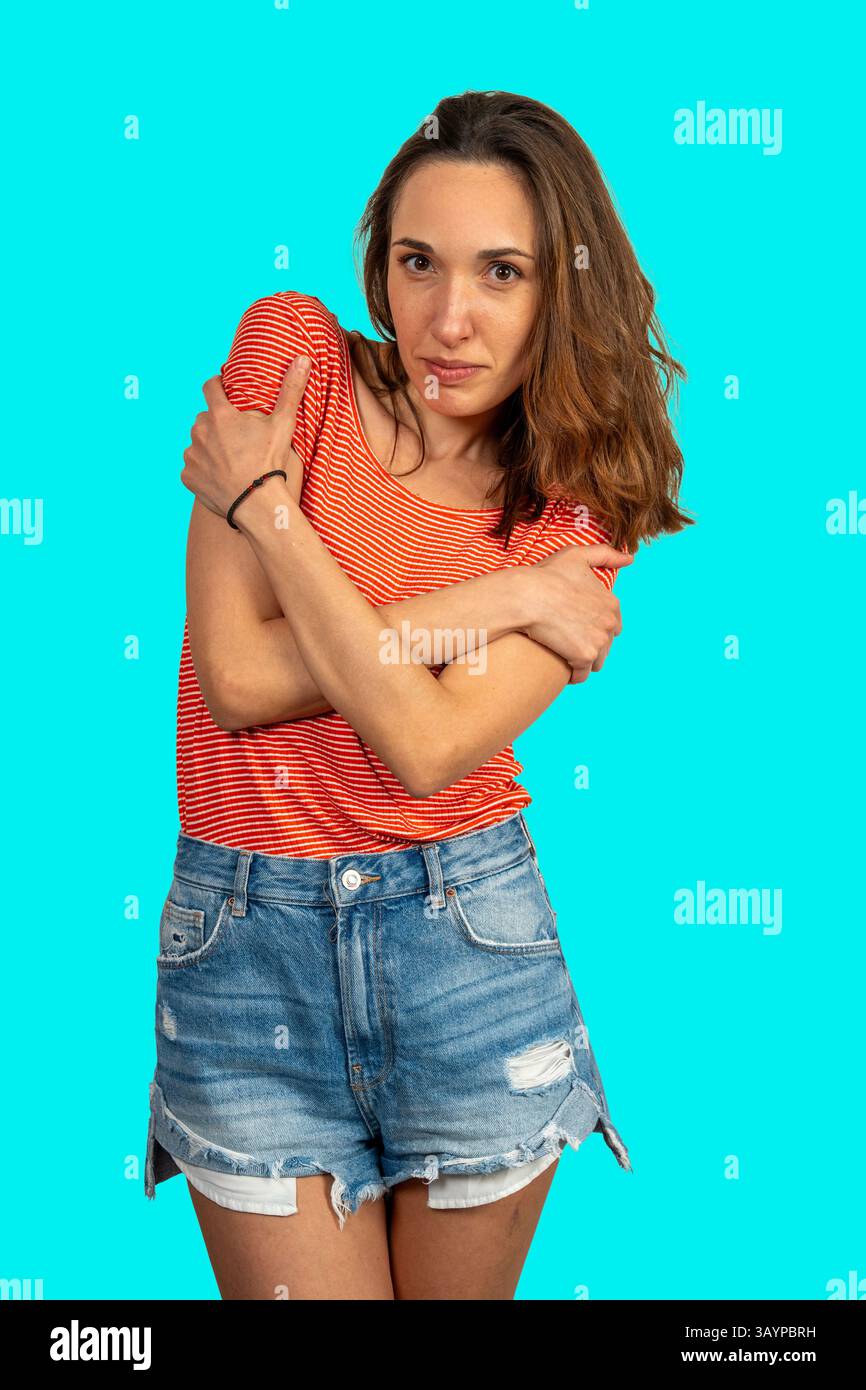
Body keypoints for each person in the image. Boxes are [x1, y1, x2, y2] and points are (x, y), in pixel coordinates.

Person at [144, 89, 691, 1301]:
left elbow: (428, 741)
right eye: (416, 263)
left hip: (466, 944)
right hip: (245, 946)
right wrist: (495, 602)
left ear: (563, 289)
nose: (449, 318)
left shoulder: (577, 508)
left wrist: (269, 515)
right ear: (376, 265)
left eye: (503, 272)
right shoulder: (294, 358)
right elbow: (234, 683)